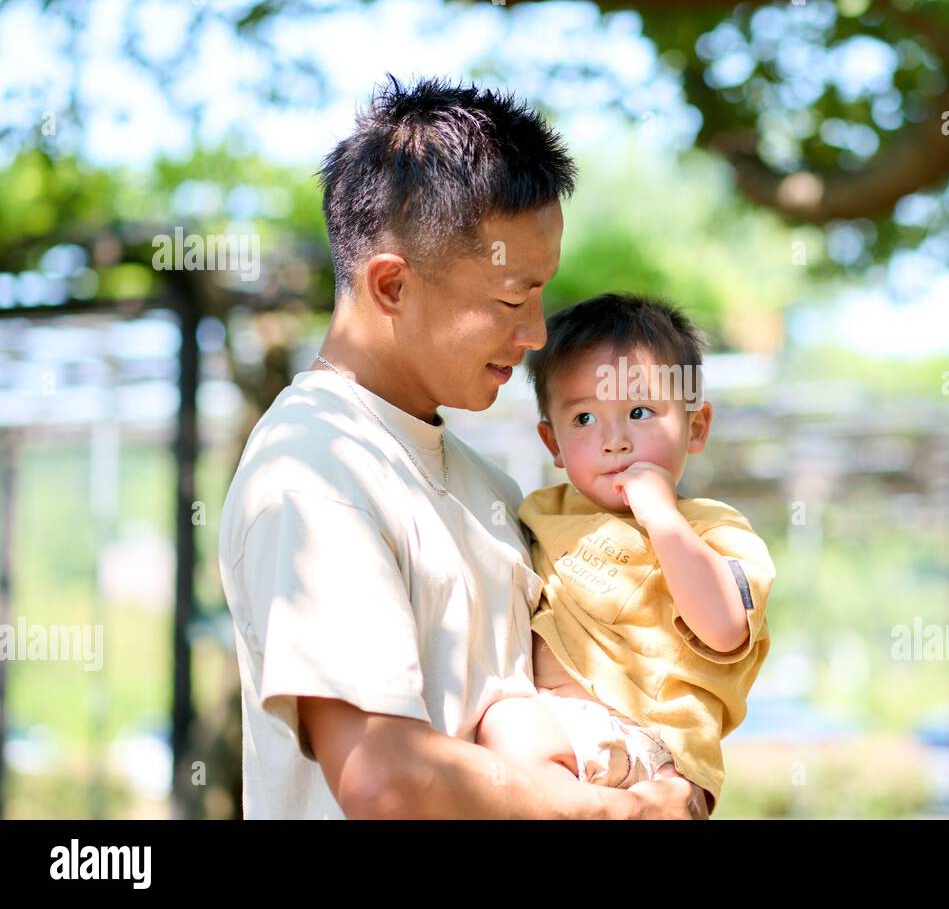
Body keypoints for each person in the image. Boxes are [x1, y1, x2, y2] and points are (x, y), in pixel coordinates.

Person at [217, 76, 701, 819]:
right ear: (391, 285)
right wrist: (619, 813)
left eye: (543, 293)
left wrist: (676, 778)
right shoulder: (315, 472)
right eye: (511, 298)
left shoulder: (494, 490)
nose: (536, 333)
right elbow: (385, 778)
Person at [474, 293, 774, 817]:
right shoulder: (541, 512)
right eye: (584, 418)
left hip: (655, 743)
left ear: (696, 426)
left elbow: (726, 628)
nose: (614, 441)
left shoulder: (713, 529)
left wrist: (663, 519)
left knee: (508, 730)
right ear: (553, 444)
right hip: (565, 730)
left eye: (639, 412)